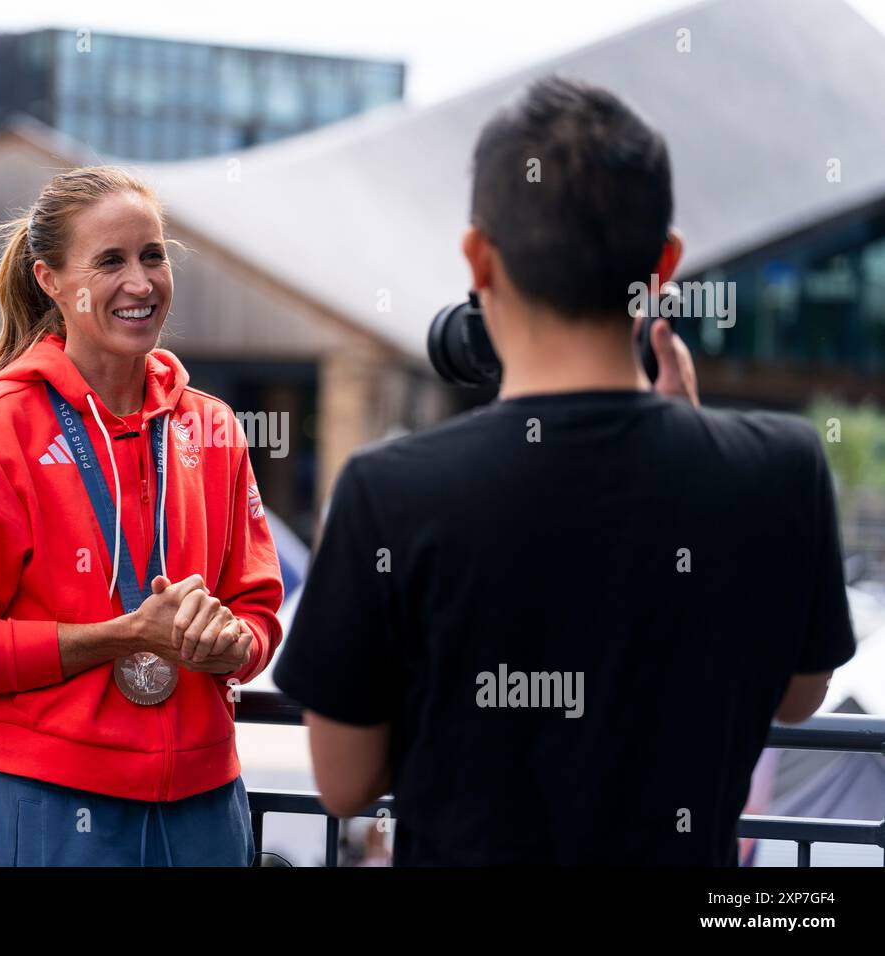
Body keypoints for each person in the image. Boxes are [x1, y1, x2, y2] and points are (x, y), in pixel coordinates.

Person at [272, 76, 857, 866]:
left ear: (479, 257)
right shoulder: (780, 471)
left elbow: (344, 784)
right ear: (665, 262)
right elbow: (799, 696)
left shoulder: (389, 490)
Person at [0, 166, 284, 866]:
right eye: (110, 261)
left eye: (153, 255)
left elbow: (258, 610)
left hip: (206, 793)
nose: (140, 282)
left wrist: (233, 645)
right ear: (50, 281)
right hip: (52, 794)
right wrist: (116, 637)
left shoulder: (216, 429)